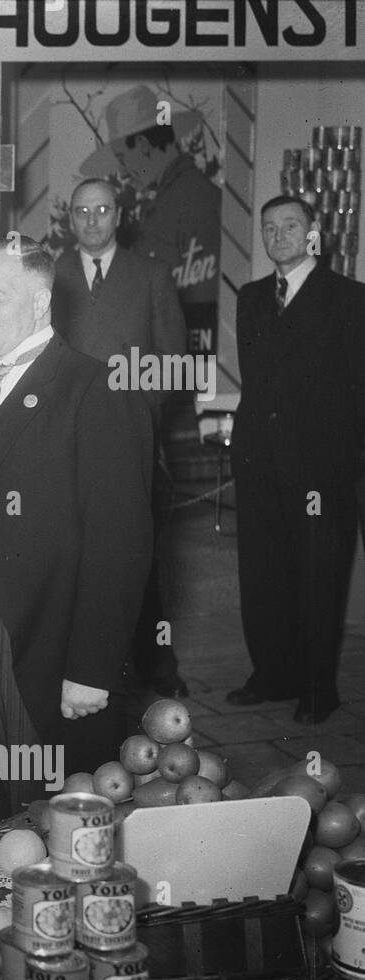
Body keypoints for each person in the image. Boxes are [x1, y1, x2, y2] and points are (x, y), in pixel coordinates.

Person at [0, 234, 153, 826]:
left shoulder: (95, 387)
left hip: (41, 644)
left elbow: (120, 544)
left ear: (41, 302)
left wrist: (92, 668)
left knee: (38, 814)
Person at [227, 196, 365, 725]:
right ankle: (271, 675)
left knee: (317, 575)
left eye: (290, 225)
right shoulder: (253, 296)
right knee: (262, 573)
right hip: (259, 460)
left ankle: (316, 689)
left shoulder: (348, 298)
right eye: (269, 227)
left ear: (313, 233)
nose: (278, 235)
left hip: (321, 467)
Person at [52, 178, 189, 700]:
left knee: (139, 558)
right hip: (63, 445)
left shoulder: (151, 275)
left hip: (132, 443)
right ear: (70, 216)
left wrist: (132, 414)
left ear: (119, 215)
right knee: (69, 558)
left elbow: (172, 365)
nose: (91, 220)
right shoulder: (50, 273)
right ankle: (74, 666)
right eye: (81, 210)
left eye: (102, 210)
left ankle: (155, 668)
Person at [80, 85, 220, 346]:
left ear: (143, 145)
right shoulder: (170, 198)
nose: (122, 171)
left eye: (123, 158)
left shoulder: (192, 199)